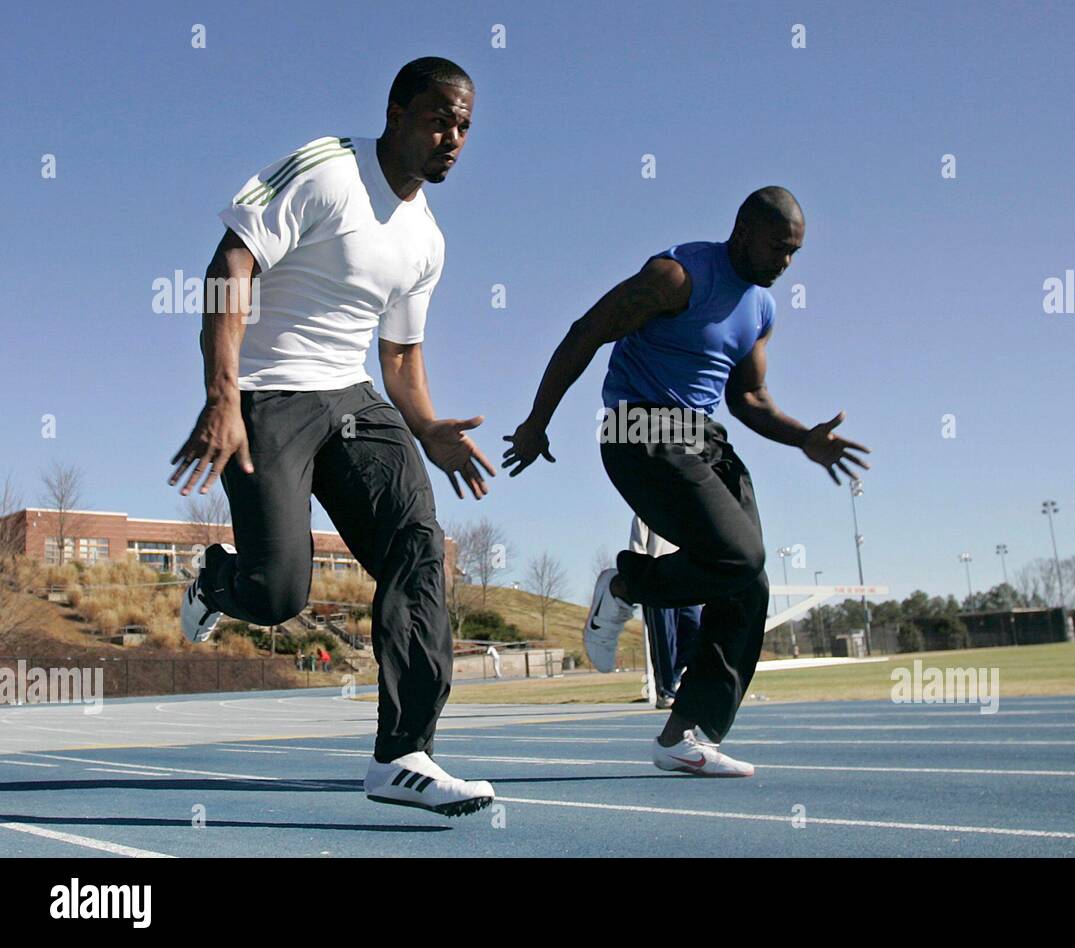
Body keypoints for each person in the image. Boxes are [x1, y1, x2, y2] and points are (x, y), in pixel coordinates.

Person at [169, 57, 497, 817]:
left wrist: (427, 424)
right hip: (270, 394)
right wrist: (223, 395)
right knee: (279, 592)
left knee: (417, 542)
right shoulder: (327, 170)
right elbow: (231, 263)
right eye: (439, 119)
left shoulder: (427, 239)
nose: (452, 137)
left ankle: (403, 753)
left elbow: (401, 355)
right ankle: (221, 580)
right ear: (396, 112)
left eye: (464, 127)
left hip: (351, 400)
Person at [504, 188, 869, 777]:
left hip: (704, 437)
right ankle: (625, 586)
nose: (787, 264)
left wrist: (805, 438)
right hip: (638, 428)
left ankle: (685, 734)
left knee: (747, 583)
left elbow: (747, 397)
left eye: (796, 253)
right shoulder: (676, 276)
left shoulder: (761, 309)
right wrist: (535, 423)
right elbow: (586, 331)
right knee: (737, 556)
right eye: (780, 248)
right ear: (744, 231)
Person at [629, 515, 702, 710]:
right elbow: (636, 551)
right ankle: (666, 691)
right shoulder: (644, 514)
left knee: (697, 630)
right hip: (657, 584)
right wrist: (644, 583)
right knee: (664, 640)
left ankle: (676, 678)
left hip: (685, 582)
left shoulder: (686, 511)